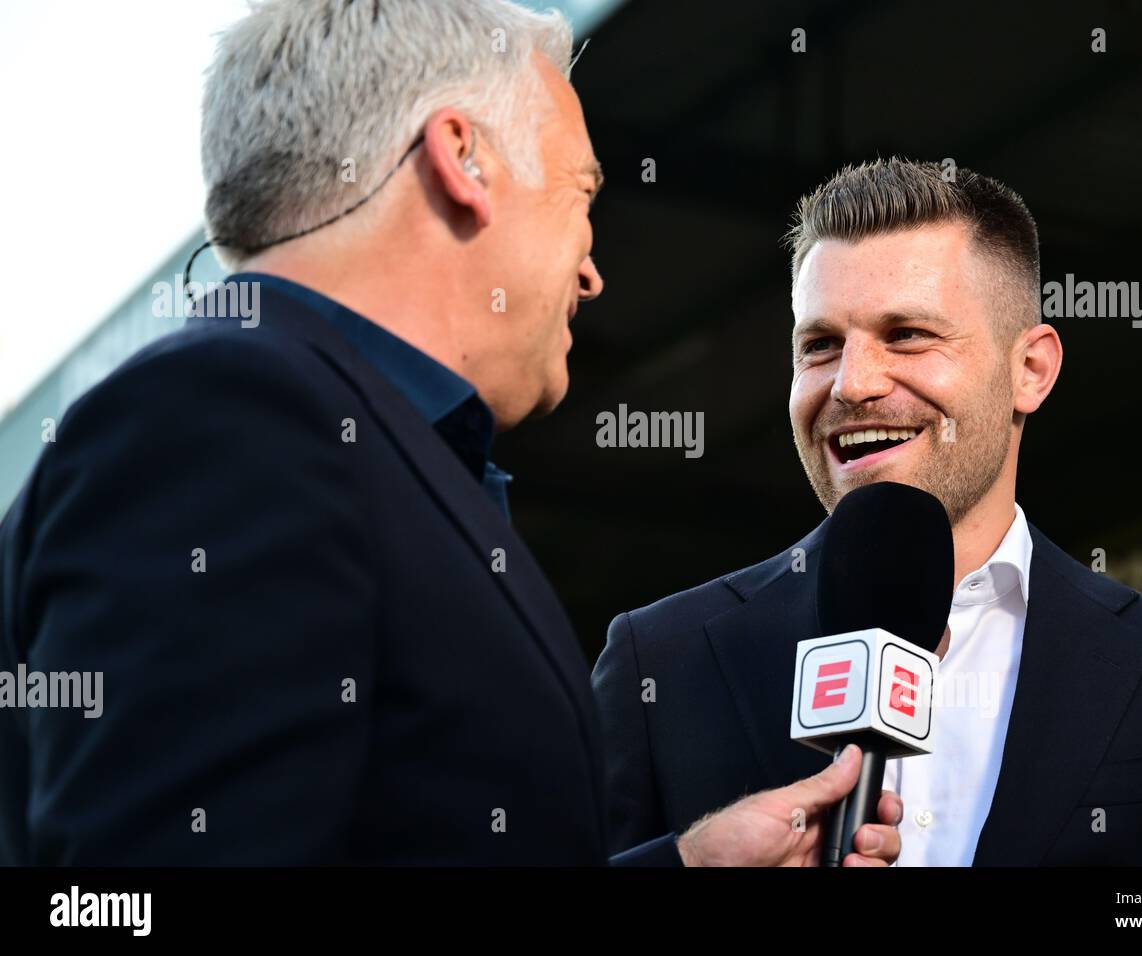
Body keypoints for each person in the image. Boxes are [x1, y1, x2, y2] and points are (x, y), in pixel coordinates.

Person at [0, 0, 896, 867]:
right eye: (581, 196)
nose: (591, 273)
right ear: (462, 158)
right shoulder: (231, 415)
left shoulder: (333, 437)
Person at [592, 158, 1142, 866]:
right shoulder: (661, 658)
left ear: (1031, 371)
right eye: (820, 345)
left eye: (907, 335)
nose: (852, 384)